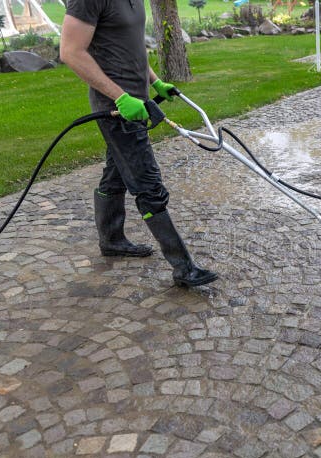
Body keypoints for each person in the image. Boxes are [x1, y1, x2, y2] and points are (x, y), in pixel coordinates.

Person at [60, 0, 217, 287]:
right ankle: (183, 267)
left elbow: (130, 48)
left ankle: (111, 239)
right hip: (116, 108)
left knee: (115, 174)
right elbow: (71, 51)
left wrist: (155, 82)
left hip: (137, 102)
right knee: (148, 183)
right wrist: (119, 96)